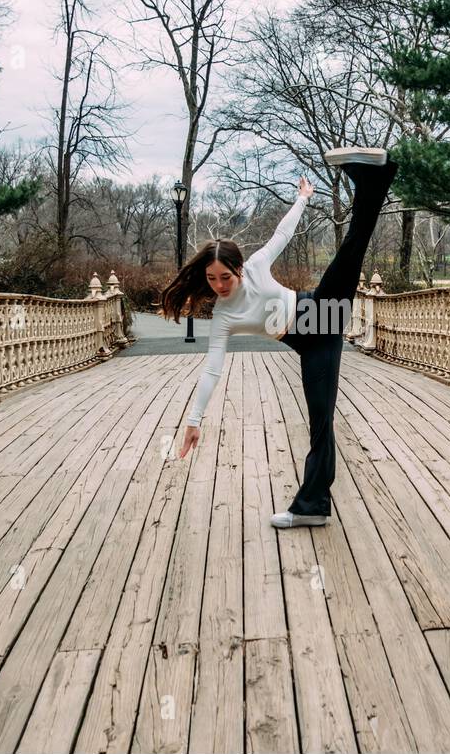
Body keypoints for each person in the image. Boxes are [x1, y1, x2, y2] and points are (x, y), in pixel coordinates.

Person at [157, 149, 398, 527]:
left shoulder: (254, 268)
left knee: (352, 248)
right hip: (314, 342)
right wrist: (193, 419)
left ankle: (375, 177)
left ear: (238, 269)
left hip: (320, 310)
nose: (219, 285)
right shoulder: (223, 316)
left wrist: (302, 199)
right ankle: (314, 506)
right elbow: (212, 371)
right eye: (211, 279)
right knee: (321, 423)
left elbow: (281, 233)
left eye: (225, 277)